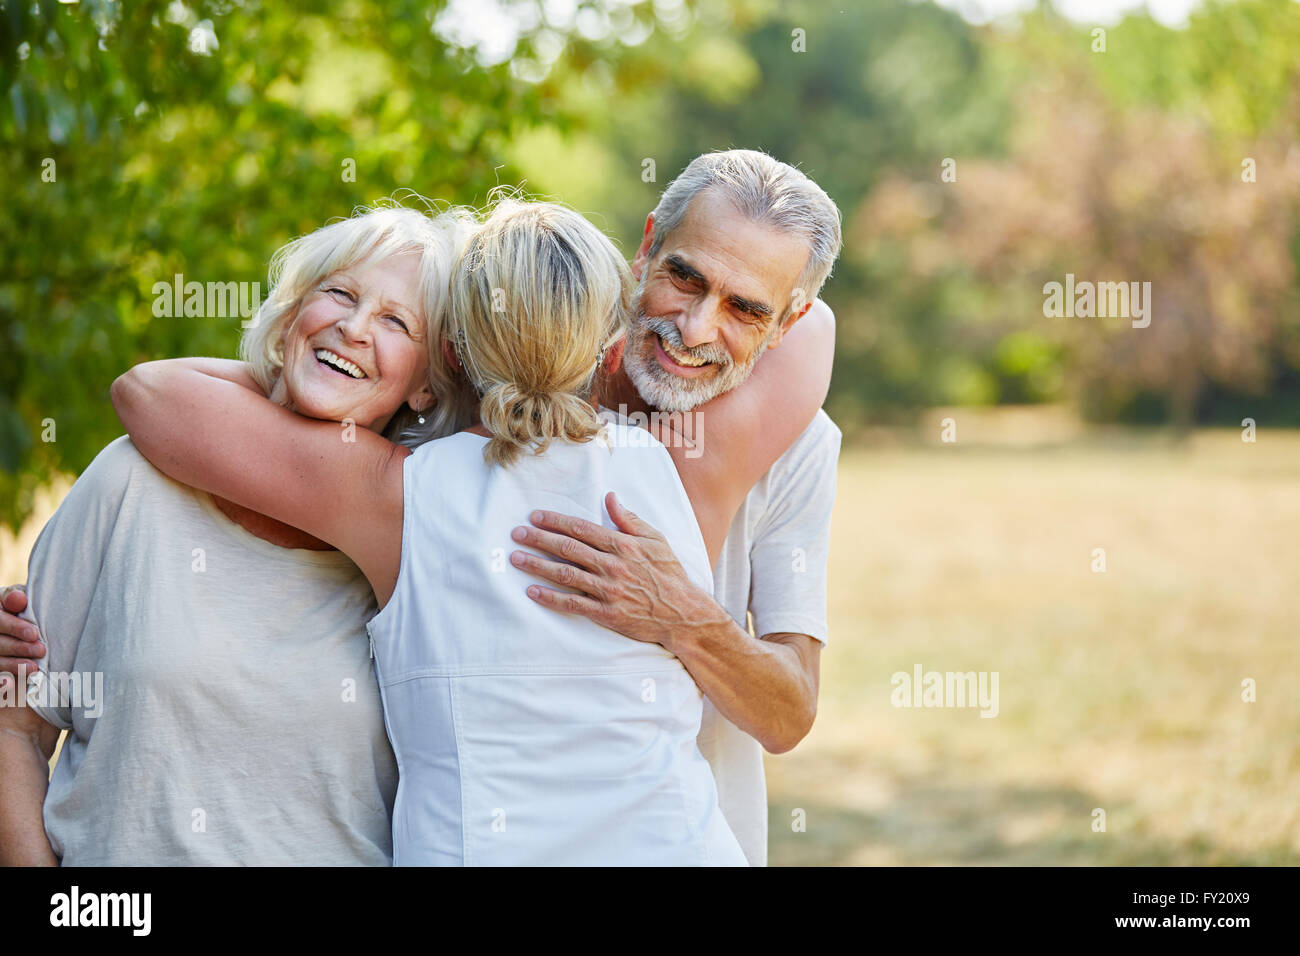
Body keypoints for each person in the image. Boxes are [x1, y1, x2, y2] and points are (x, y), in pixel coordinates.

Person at [107, 196, 829, 865]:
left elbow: (149, 393)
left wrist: (285, 365)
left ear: (447, 353)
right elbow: (813, 327)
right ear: (612, 344)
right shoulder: (686, 467)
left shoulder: (390, 492)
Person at [0, 203, 468, 865]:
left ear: (424, 387)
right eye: (337, 293)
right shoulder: (131, 481)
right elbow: (14, 723)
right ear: (289, 315)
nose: (354, 327)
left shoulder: (413, 542)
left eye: (396, 321)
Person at [508, 149, 844, 866]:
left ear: (790, 322)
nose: (693, 328)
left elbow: (788, 714)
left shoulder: (802, 445)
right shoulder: (531, 366)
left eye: (745, 309)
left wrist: (683, 618)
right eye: (684, 278)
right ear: (646, 245)